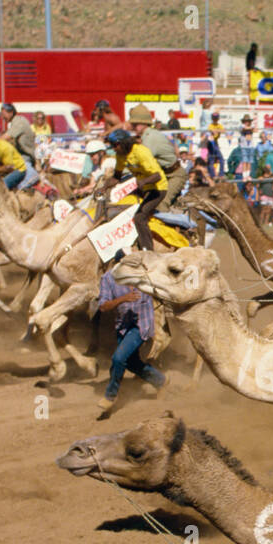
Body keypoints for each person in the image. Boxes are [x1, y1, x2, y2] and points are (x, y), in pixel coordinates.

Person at [96, 256, 166, 417]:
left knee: (118, 358)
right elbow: (103, 307)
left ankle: (110, 396)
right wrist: (123, 299)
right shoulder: (107, 279)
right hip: (123, 326)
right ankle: (161, 381)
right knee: (132, 363)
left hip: (142, 324)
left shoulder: (144, 275)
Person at [106, 129, 166, 251]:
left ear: (121, 143)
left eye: (114, 146)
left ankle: (148, 251)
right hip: (143, 187)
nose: (113, 149)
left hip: (158, 188)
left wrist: (143, 182)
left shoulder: (141, 152)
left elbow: (157, 176)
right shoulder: (120, 155)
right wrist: (103, 188)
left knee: (139, 217)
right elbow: (117, 177)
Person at [127, 104, 181, 209]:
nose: (133, 127)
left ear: (143, 123)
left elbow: (141, 160)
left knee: (160, 203)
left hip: (175, 175)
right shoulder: (146, 136)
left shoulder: (150, 138)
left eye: (135, 124)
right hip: (163, 175)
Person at [0, 103, 39, 190]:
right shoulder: (15, 122)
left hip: (24, 158)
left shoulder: (19, 122)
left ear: (11, 112)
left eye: (3, 114)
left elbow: (6, 137)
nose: (2, 117)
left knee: (7, 185)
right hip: (20, 157)